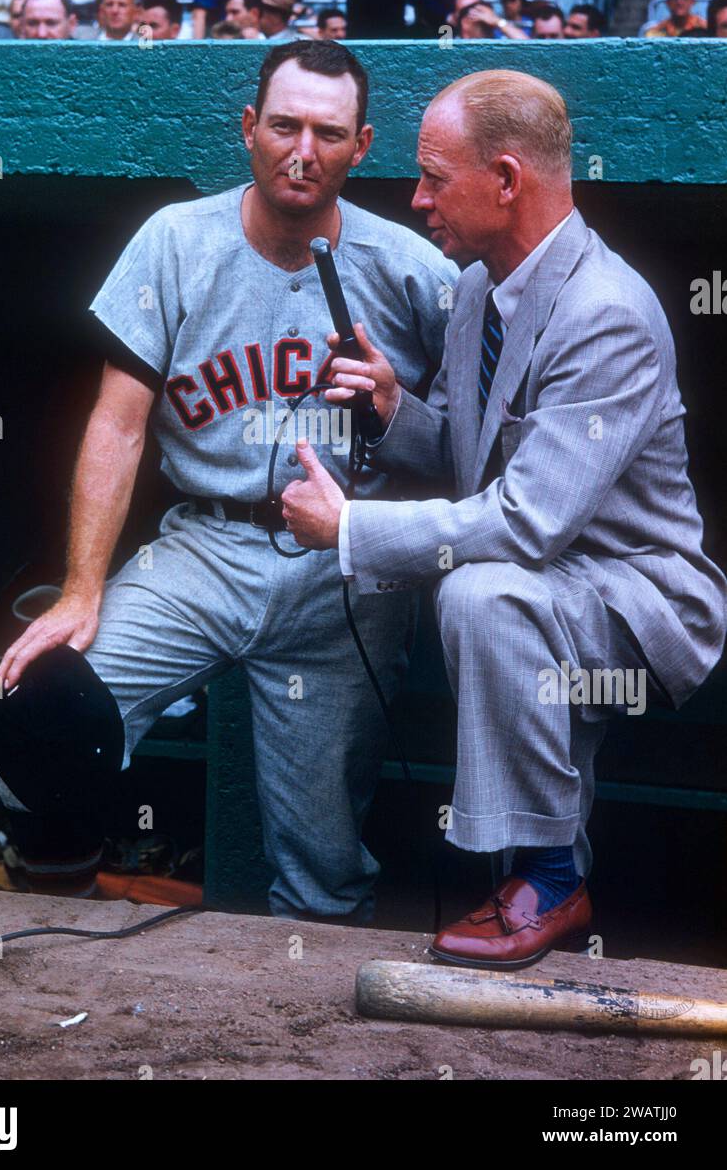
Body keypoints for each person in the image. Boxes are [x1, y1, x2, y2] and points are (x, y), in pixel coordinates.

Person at [0, 39, 458, 920]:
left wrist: (396, 404)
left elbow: (471, 450)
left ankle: (299, 1038)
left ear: (361, 148)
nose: (301, 150)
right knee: (45, 704)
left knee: (319, 859)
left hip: (344, 567)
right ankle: (51, 934)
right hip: (202, 547)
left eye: (327, 132)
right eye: (283, 125)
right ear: (249, 128)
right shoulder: (175, 241)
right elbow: (117, 426)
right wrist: (82, 589)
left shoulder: (413, 270)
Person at [280, 67, 727, 965]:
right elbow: (471, 454)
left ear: (508, 180)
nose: (416, 199)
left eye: (434, 179)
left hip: (638, 596)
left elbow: (522, 523)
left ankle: (553, 879)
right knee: (489, 589)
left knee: (482, 593)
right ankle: (535, 872)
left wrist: (352, 532)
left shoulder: (606, 313)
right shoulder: (484, 285)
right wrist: (392, 406)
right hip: (555, 573)